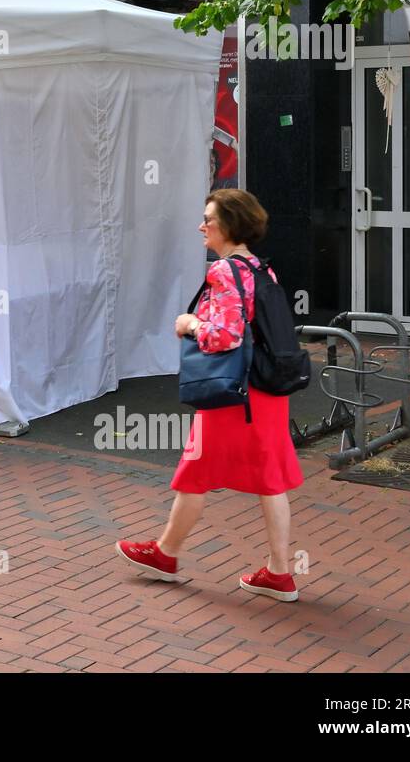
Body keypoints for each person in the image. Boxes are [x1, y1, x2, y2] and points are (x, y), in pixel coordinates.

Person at [116, 188, 305, 602]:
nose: (202, 226)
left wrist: (189, 324)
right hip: (266, 392)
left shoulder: (223, 272)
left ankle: (166, 554)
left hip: (233, 395)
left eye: (209, 219)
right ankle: (279, 573)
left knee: (196, 470)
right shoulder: (261, 268)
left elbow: (225, 336)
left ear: (230, 225)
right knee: (269, 480)